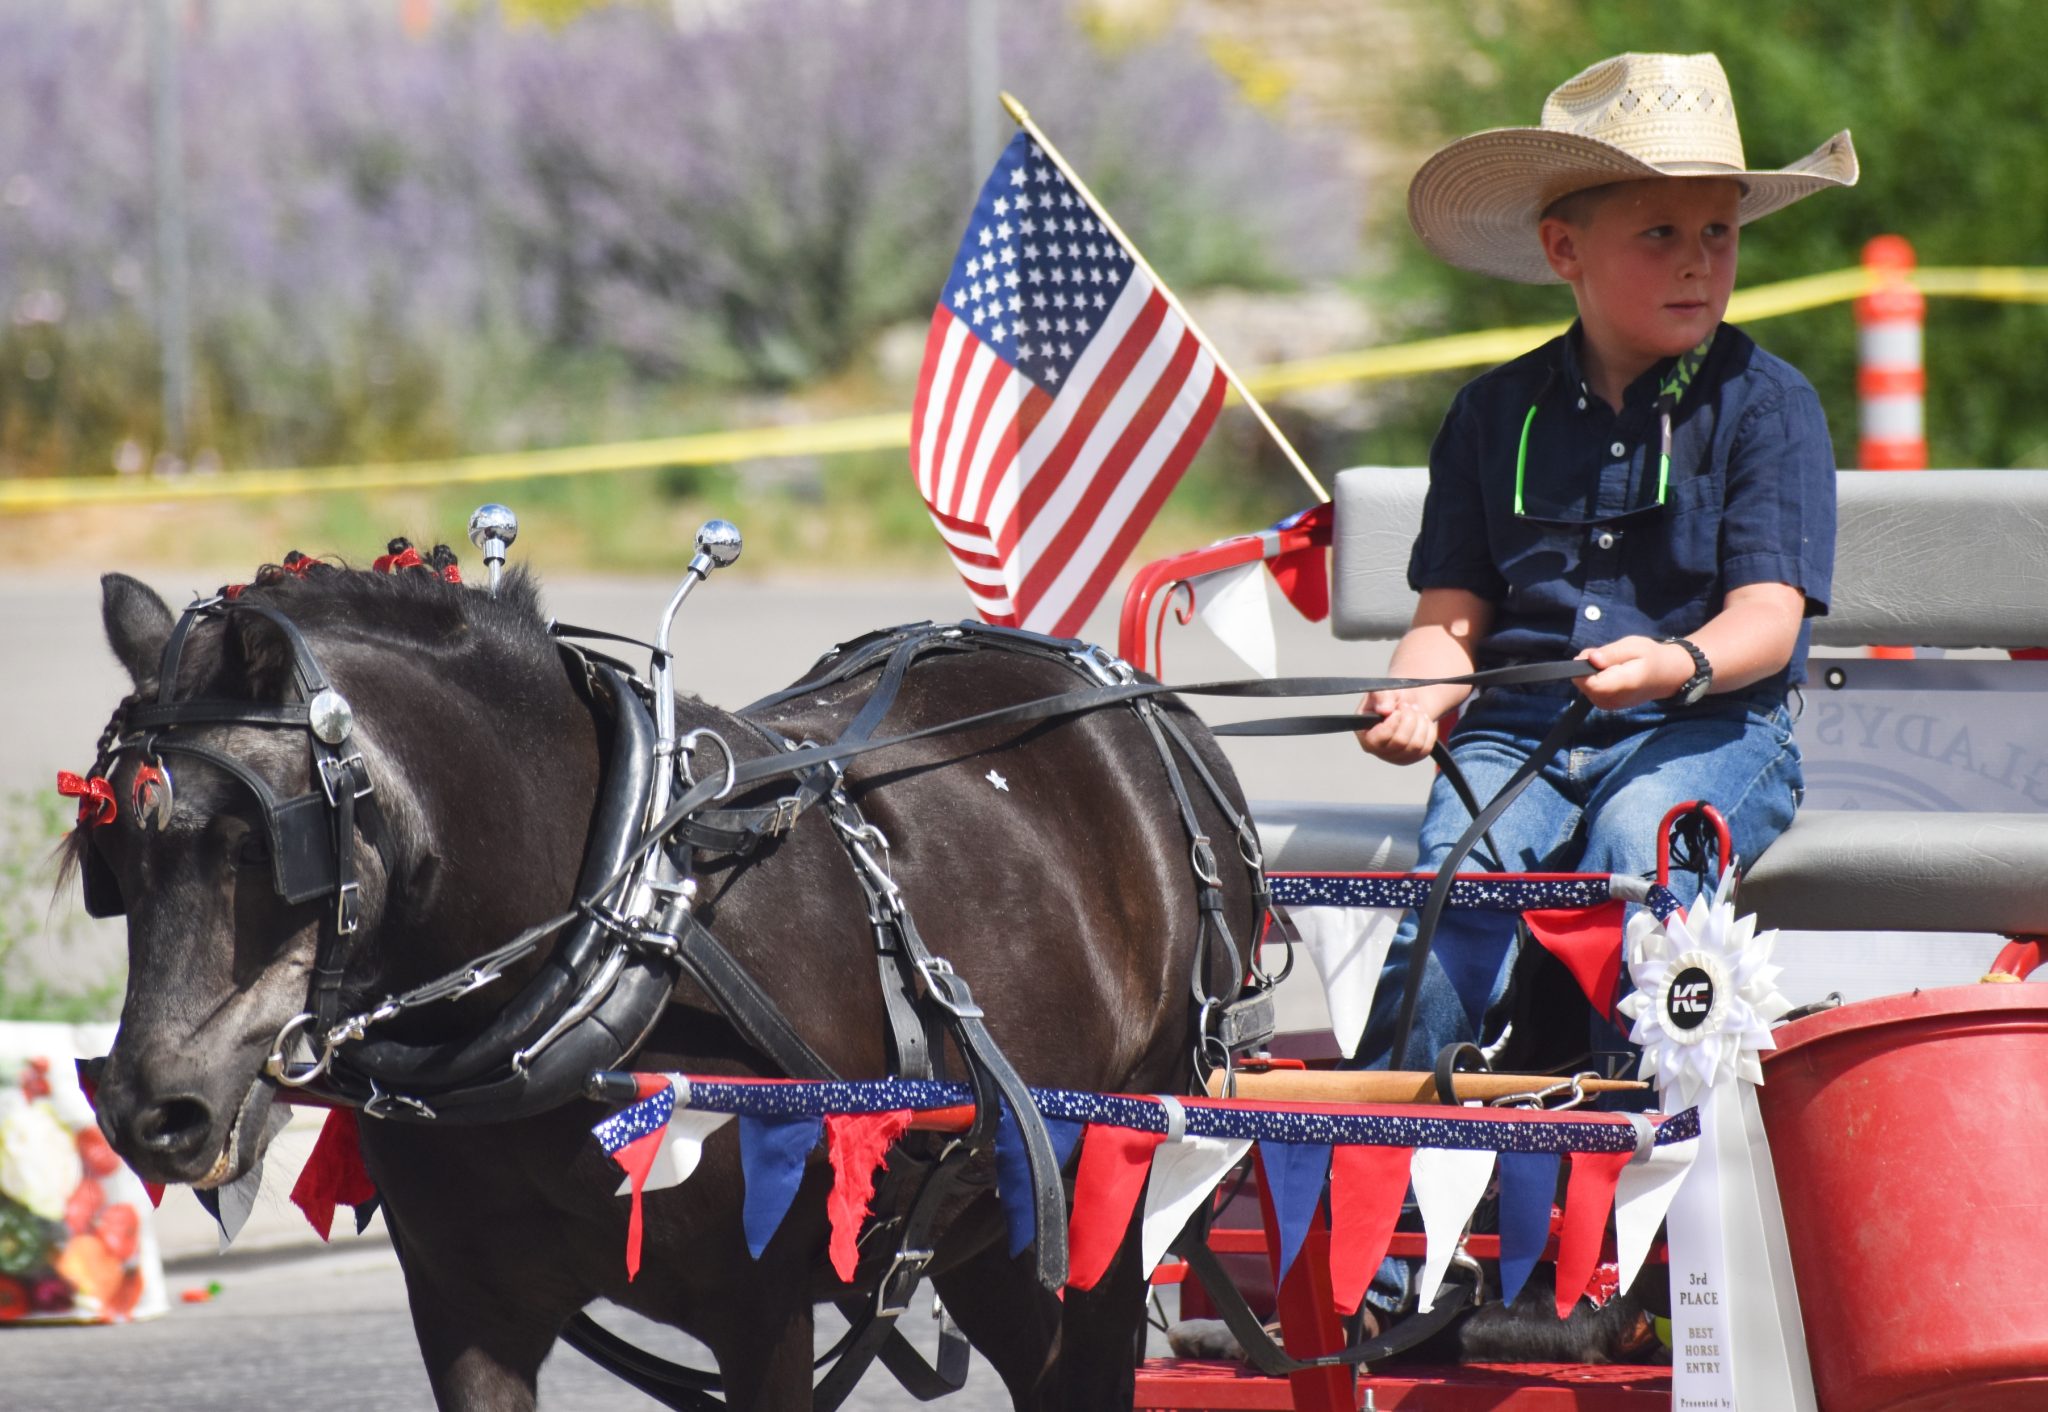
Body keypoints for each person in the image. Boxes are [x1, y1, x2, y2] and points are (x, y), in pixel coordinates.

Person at [1353, 51, 1858, 1078]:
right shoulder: (1491, 412)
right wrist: (1414, 693)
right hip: (1517, 734)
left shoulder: (1765, 406)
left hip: (1708, 728)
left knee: (1636, 845)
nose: (1696, 261)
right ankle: (1394, 1180)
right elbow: (1453, 613)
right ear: (1561, 249)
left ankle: (1610, 1166)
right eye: (1659, 232)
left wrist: (1671, 662)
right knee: (1459, 879)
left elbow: (1765, 618)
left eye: (1715, 232)